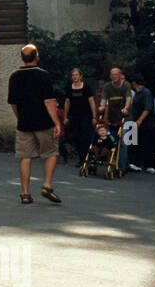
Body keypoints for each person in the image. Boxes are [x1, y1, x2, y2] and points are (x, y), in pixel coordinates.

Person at [7, 43, 63, 204]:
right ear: (36, 56)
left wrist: (20, 117)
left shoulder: (14, 76)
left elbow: (13, 104)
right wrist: (57, 123)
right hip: (44, 122)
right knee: (51, 153)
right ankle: (47, 185)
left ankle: (25, 193)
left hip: (24, 123)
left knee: (25, 157)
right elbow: (49, 102)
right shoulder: (44, 76)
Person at [61, 67, 97, 167]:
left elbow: (91, 101)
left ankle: (86, 157)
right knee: (76, 137)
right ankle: (81, 158)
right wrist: (65, 117)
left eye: (76, 75)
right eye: (73, 75)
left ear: (80, 76)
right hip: (74, 116)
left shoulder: (86, 87)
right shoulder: (69, 88)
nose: (75, 77)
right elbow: (67, 102)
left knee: (85, 136)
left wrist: (94, 116)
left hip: (86, 115)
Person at [100, 67, 132, 173]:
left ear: (120, 75)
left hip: (125, 117)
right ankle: (119, 163)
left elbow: (128, 99)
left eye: (116, 74)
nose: (114, 76)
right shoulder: (107, 86)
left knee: (123, 142)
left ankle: (122, 167)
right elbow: (103, 100)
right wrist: (101, 107)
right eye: (112, 74)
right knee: (111, 139)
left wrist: (126, 108)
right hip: (113, 117)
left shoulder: (126, 85)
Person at [127, 73, 155, 173]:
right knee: (135, 142)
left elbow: (147, 108)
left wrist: (140, 120)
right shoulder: (137, 92)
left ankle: (150, 165)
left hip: (146, 122)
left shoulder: (146, 92)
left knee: (147, 143)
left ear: (134, 83)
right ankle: (135, 163)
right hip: (136, 121)